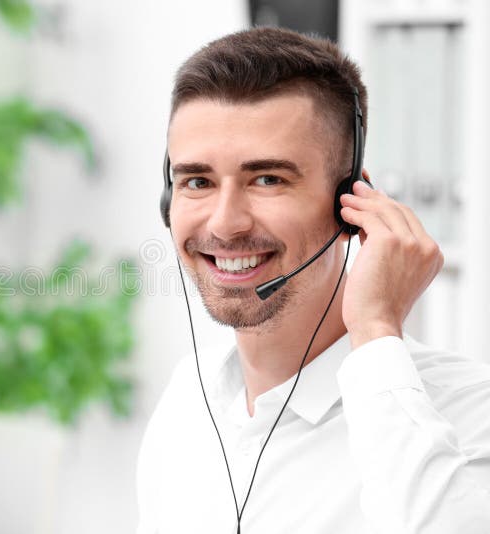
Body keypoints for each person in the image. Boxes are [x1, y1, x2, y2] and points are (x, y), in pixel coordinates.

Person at [137, 28, 490, 533]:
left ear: (353, 203)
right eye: (197, 181)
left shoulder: (471, 415)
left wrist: (373, 329)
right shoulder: (187, 400)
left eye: (268, 179)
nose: (223, 223)